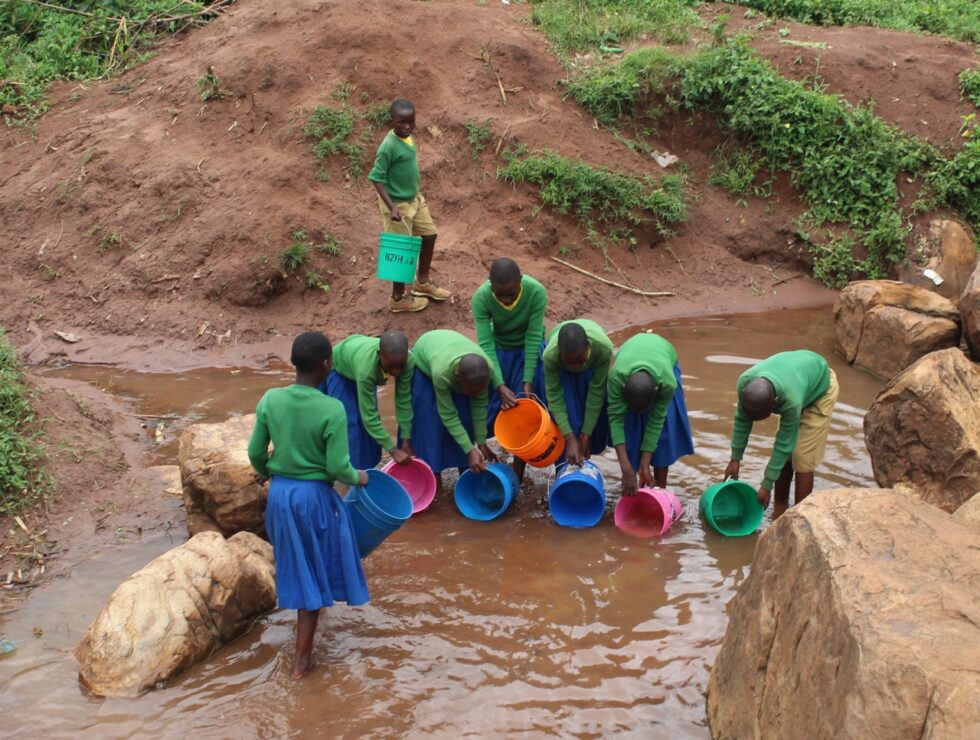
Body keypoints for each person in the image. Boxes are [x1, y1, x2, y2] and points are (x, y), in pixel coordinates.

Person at [247, 332, 370, 679]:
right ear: (327, 365)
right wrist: (359, 476)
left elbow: (255, 452)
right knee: (313, 574)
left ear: (294, 363)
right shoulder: (332, 409)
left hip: (279, 497)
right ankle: (301, 663)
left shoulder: (271, 399)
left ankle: (306, 638)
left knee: (300, 566)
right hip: (312, 499)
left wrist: (267, 471)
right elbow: (337, 467)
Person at [724, 349, 839, 508]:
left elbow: (784, 443)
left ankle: (800, 514)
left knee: (803, 457)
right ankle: (780, 506)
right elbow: (741, 420)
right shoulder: (744, 383)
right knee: (787, 457)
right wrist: (735, 459)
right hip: (798, 377)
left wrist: (766, 485)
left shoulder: (790, 401)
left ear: (775, 402)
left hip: (821, 387)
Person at [368, 98, 451, 313]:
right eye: (402, 122)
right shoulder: (388, 147)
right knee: (401, 252)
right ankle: (397, 299)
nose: (407, 126)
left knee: (429, 235)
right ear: (391, 121)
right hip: (398, 204)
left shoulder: (407, 137)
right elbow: (376, 178)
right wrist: (392, 207)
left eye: (411, 122)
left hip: (414, 199)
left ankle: (422, 282)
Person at [472, 258, 547, 477]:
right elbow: (486, 345)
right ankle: (480, 453)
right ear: (490, 284)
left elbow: (533, 336)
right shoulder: (481, 298)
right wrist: (499, 385)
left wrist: (528, 381)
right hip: (499, 351)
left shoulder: (536, 292)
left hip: (528, 350)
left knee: (524, 406)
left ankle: (517, 473)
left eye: (511, 294)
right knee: (492, 408)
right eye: (499, 295)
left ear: (520, 281)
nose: (505, 300)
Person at [607, 332, 695, 496]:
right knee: (630, 428)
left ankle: (660, 490)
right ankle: (631, 481)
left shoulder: (667, 382)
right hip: (630, 362)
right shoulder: (616, 378)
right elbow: (616, 420)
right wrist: (626, 470)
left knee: (664, 432)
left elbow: (656, 420)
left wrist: (646, 462)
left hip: (664, 362)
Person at [403, 329, 495, 485]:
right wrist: (469, 450)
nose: (476, 395)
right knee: (431, 424)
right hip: (427, 358)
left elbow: (479, 408)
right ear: (458, 378)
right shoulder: (441, 374)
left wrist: (481, 442)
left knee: (465, 418)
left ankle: (465, 473)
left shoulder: (487, 370)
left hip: (451, 353)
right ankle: (434, 479)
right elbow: (448, 415)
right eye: (471, 392)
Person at [318, 330, 415, 469]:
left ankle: (368, 470)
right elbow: (369, 416)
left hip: (358, 360)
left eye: (400, 366)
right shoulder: (367, 370)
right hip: (340, 368)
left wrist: (406, 439)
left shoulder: (408, 361)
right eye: (391, 367)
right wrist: (393, 450)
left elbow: (404, 401)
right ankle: (349, 472)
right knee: (349, 423)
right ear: (379, 354)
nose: (396, 372)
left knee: (367, 431)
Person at [542, 319, 613, 466]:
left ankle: (582, 466)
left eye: (580, 360)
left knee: (594, 426)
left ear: (588, 346)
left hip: (591, 369)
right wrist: (570, 438)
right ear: (560, 352)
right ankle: (564, 469)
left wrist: (586, 434)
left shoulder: (602, 349)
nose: (576, 366)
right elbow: (554, 397)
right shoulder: (551, 356)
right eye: (570, 362)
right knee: (569, 423)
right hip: (562, 373)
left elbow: (596, 392)